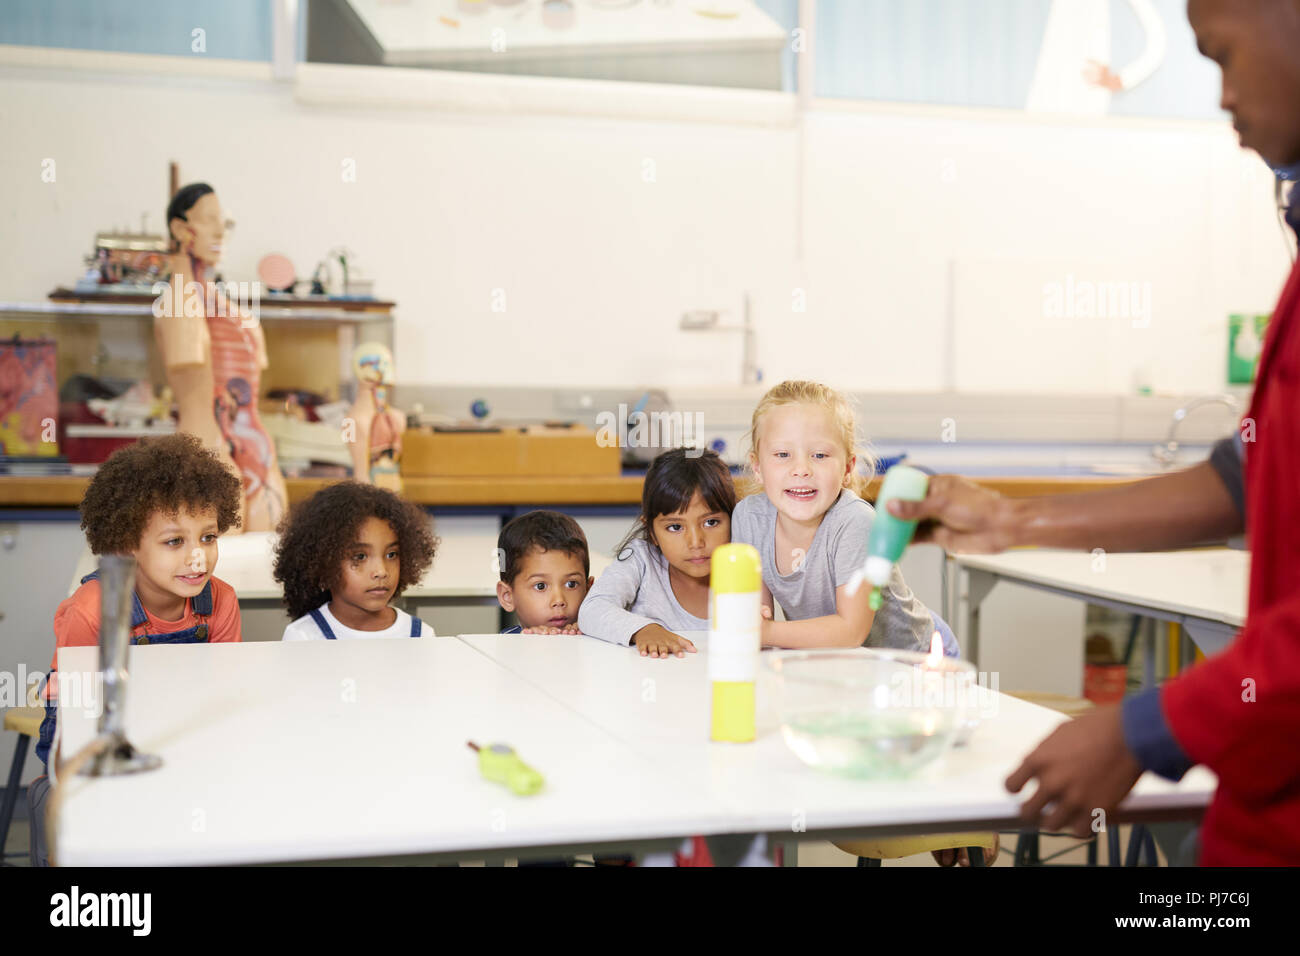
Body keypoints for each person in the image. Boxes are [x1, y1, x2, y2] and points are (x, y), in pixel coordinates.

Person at [889, 0, 1300, 867]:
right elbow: (1243, 474)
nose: (1221, 95)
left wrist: (1145, 729)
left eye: (1222, 55)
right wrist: (1015, 522)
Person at [28, 433, 244, 865]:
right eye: (174, 542)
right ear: (128, 545)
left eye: (208, 537)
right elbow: (75, 717)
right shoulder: (90, 612)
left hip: (181, 729)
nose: (198, 558)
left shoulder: (220, 602)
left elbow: (223, 694)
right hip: (90, 734)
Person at [733, 380, 957, 656]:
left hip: (914, 660)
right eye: (782, 454)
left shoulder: (854, 521)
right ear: (757, 467)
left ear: (848, 467)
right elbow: (757, 622)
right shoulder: (749, 518)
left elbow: (851, 631)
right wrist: (760, 631)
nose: (801, 469)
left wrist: (766, 633)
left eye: (820, 455)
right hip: (840, 663)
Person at [159, 182, 288, 531]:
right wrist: (180, 261)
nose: (219, 231)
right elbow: (188, 352)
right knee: (216, 571)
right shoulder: (177, 304)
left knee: (266, 570)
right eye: (208, 219)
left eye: (224, 222)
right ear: (180, 228)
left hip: (260, 454)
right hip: (208, 454)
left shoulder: (236, 315)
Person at [577, 449, 735, 658]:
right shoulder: (641, 559)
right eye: (675, 527)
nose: (696, 542)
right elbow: (592, 609)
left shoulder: (744, 565)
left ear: (734, 519)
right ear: (651, 531)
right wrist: (643, 629)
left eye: (711, 522)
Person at [274, 482, 437, 640]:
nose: (381, 571)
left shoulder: (420, 635)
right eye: (360, 556)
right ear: (323, 564)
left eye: (391, 555)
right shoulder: (304, 636)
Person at [495, 510, 592, 635]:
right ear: (507, 596)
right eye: (540, 586)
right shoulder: (505, 645)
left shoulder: (601, 640)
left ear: (588, 591)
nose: (558, 600)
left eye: (571, 584)